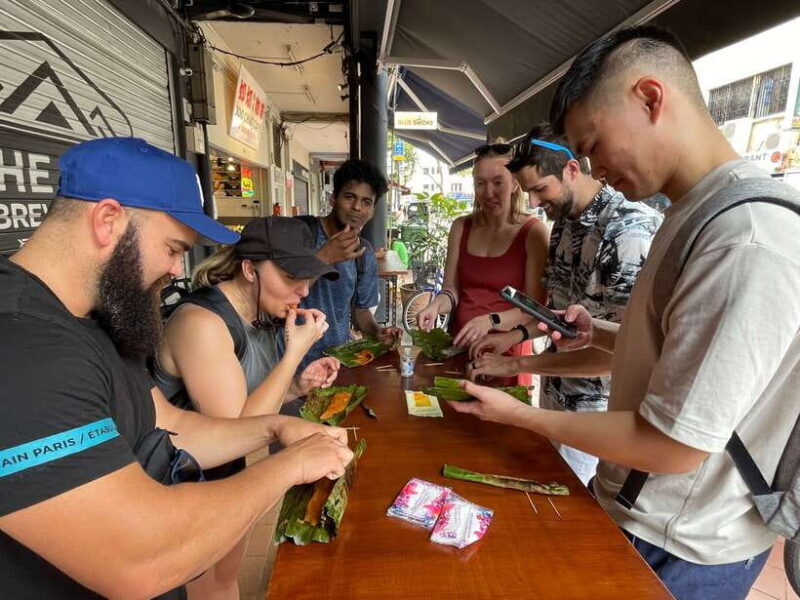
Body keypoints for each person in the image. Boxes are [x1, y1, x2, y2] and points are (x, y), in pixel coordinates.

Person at [449, 26, 800, 600]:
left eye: (593, 144)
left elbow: (674, 444)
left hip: (681, 543)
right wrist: (606, 332)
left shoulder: (744, 238)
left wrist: (523, 417)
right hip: (649, 514)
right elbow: (678, 351)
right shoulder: (695, 213)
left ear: (650, 98)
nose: (593, 166)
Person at [0, 137, 353, 599]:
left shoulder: (99, 317)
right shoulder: (22, 347)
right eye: (172, 248)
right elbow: (141, 558)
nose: (175, 269)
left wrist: (276, 429)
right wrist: (291, 465)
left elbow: (170, 424)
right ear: (108, 220)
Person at [153, 216, 341, 600]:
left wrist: (296, 385)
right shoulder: (202, 321)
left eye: (307, 278)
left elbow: (251, 404)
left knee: (225, 579)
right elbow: (235, 431)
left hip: (220, 474)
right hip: (179, 479)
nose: (304, 290)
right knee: (203, 586)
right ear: (249, 270)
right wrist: (294, 354)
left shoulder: (260, 315)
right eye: (291, 277)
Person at [468, 123, 662, 484]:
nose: (534, 204)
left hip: (597, 414)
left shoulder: (627, 233)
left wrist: (517, 363)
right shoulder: (564, 222)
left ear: (572, 169)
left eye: (540, 189)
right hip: (554, 397)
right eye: (529, 192)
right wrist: (513, 336)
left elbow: (618, 353)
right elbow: (558, 317)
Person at [415, 142, 549, 384]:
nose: (488, 193)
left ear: (515, 183)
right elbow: (451, 291)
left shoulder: (534, 232)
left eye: (498, 182)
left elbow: (535, 309)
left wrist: (489, 321)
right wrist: (435, 306)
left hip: (507, 355)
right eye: (480, 183)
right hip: (459, 350)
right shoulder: (461, 227)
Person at [294, 159, 400, 369]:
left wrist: (378, 333)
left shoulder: (364, 253)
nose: (357, 207)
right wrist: (325, 257)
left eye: (366, 202)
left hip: (335, 365)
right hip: (290, 363)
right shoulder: (300, 232)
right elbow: (279, 294)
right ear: (333, 198)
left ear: (372, 211)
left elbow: (361, 312)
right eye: (350, 197)